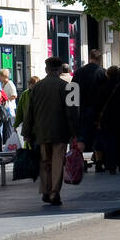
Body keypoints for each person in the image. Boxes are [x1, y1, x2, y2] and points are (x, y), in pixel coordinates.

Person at [22, 56, 82, 206]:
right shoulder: (69, 86)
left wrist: (27, 132)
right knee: (57, 162)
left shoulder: (36, 87)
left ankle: (45, 190)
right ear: (60, 69)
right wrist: (75, 133)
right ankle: (55, 193)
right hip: (60, 132)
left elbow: (29, 112)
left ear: (46, 69)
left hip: (41, 131)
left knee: (44, 162)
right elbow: (73, 112)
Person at [72, 49, 110, 169]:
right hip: (98, 110)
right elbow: (106, 93)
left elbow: (72, 92)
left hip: (82, 109)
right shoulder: (102, 73)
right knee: (98, 136)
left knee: (82, 135)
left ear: (90, 58)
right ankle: (99, 163)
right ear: (99, 59)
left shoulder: (79, 72)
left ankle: (81, 161)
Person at [0, 68, 20, 147]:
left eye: (0, 76)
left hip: (9, 109)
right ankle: (7, 144)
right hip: (5, 109)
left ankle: (10, 145)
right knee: (6, 128)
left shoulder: (10, 84)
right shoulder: (3, 84)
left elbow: (14, 95)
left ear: (3, 76)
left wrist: (6, 100)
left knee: (9, 127)